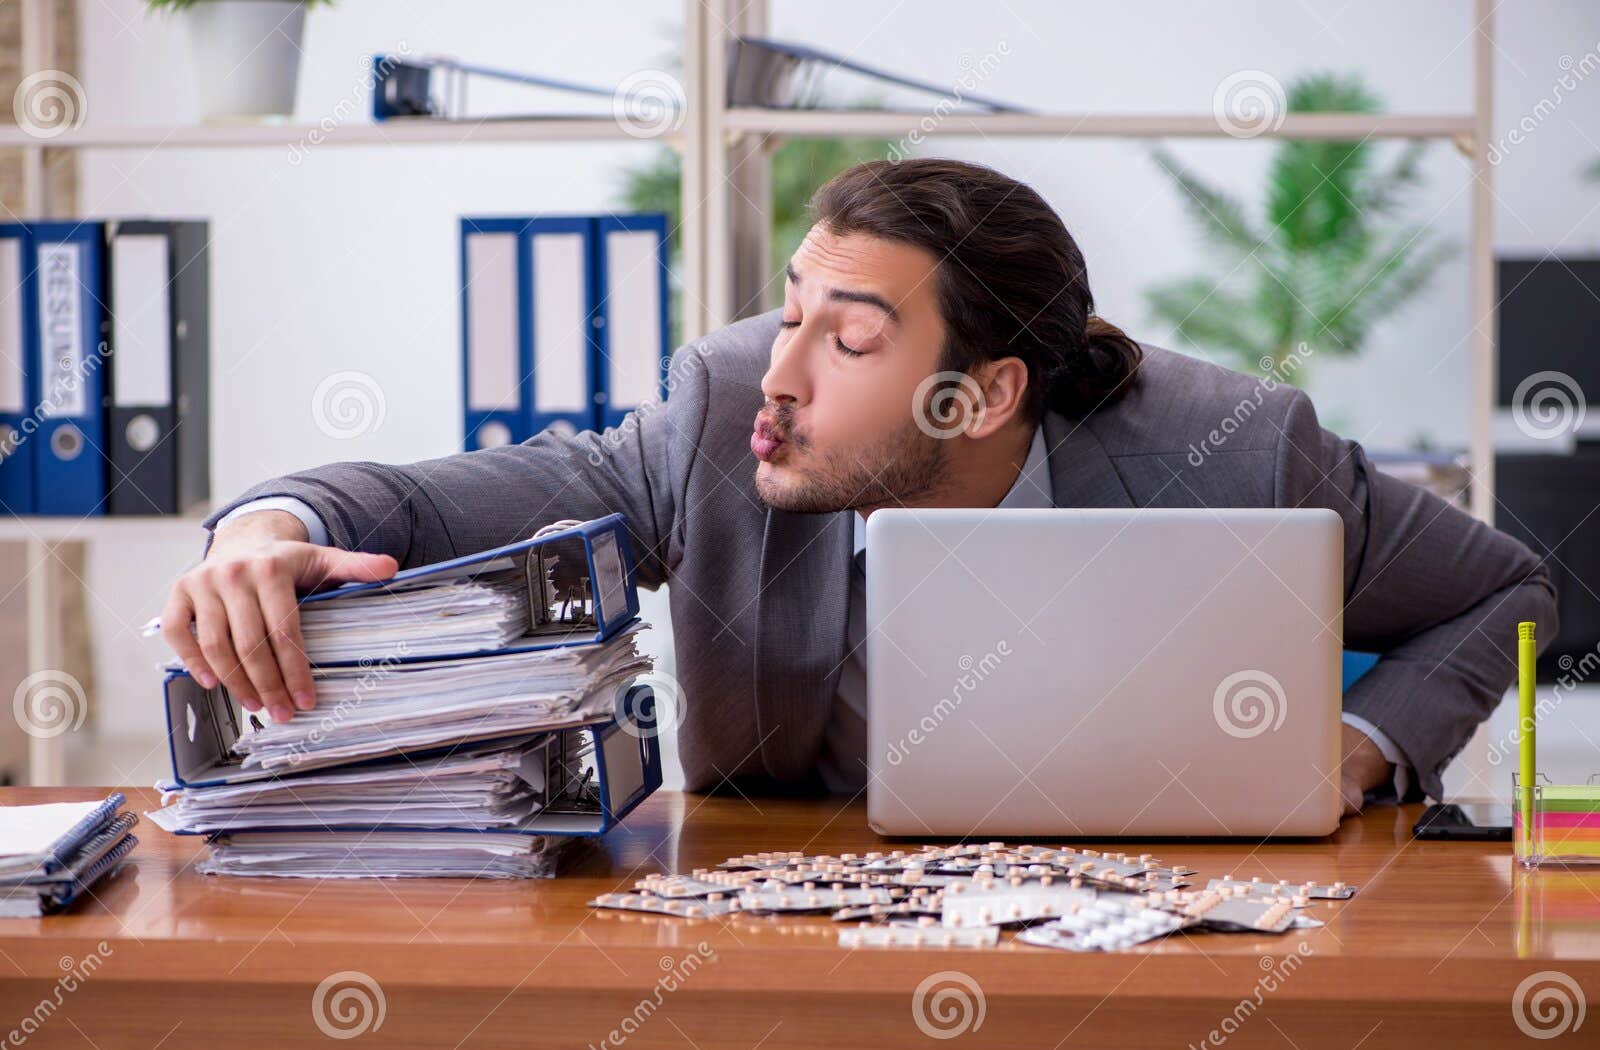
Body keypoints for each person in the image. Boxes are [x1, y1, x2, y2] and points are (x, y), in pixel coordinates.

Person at [164, 158, 1556, 814]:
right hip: (796, 943)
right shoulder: (724, 420)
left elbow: (1505, 588)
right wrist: (271, 527)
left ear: (983, 393)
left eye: (850, 339)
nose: (782, 371)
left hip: (1156, 951)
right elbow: (434, 502)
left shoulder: (1240, 450)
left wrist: (1367, 745)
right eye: (788, 312)